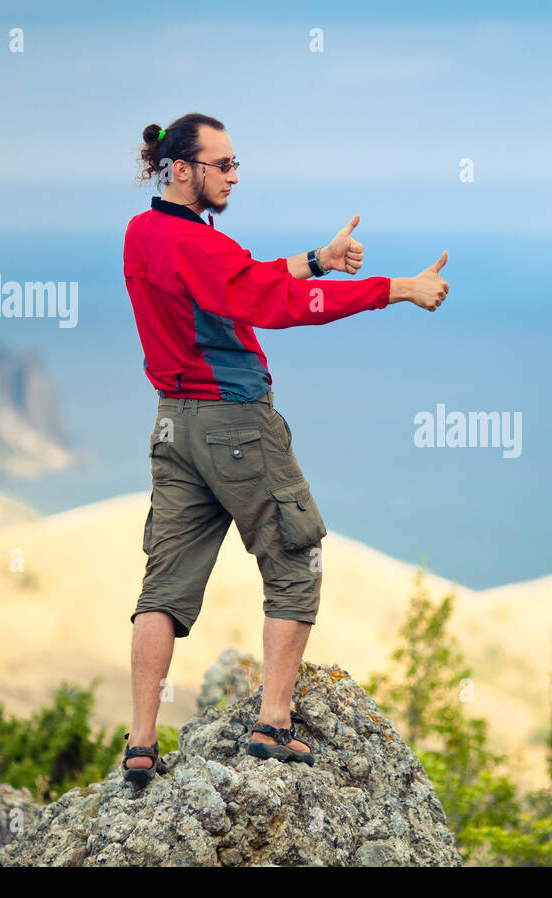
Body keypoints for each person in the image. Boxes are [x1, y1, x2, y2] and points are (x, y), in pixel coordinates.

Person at [121, 112, 448, 782]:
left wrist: (319, 259)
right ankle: (273, 722)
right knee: (296, 558)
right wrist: (398, 289)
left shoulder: (142, 234)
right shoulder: (200, 247)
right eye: (223, 165)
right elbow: (279, 304)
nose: (235, 176)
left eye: (237, 164)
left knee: (162, 587)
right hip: (235, 425)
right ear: (181, 169)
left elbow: (238, 280)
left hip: (171, 426)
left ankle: (140, 744)